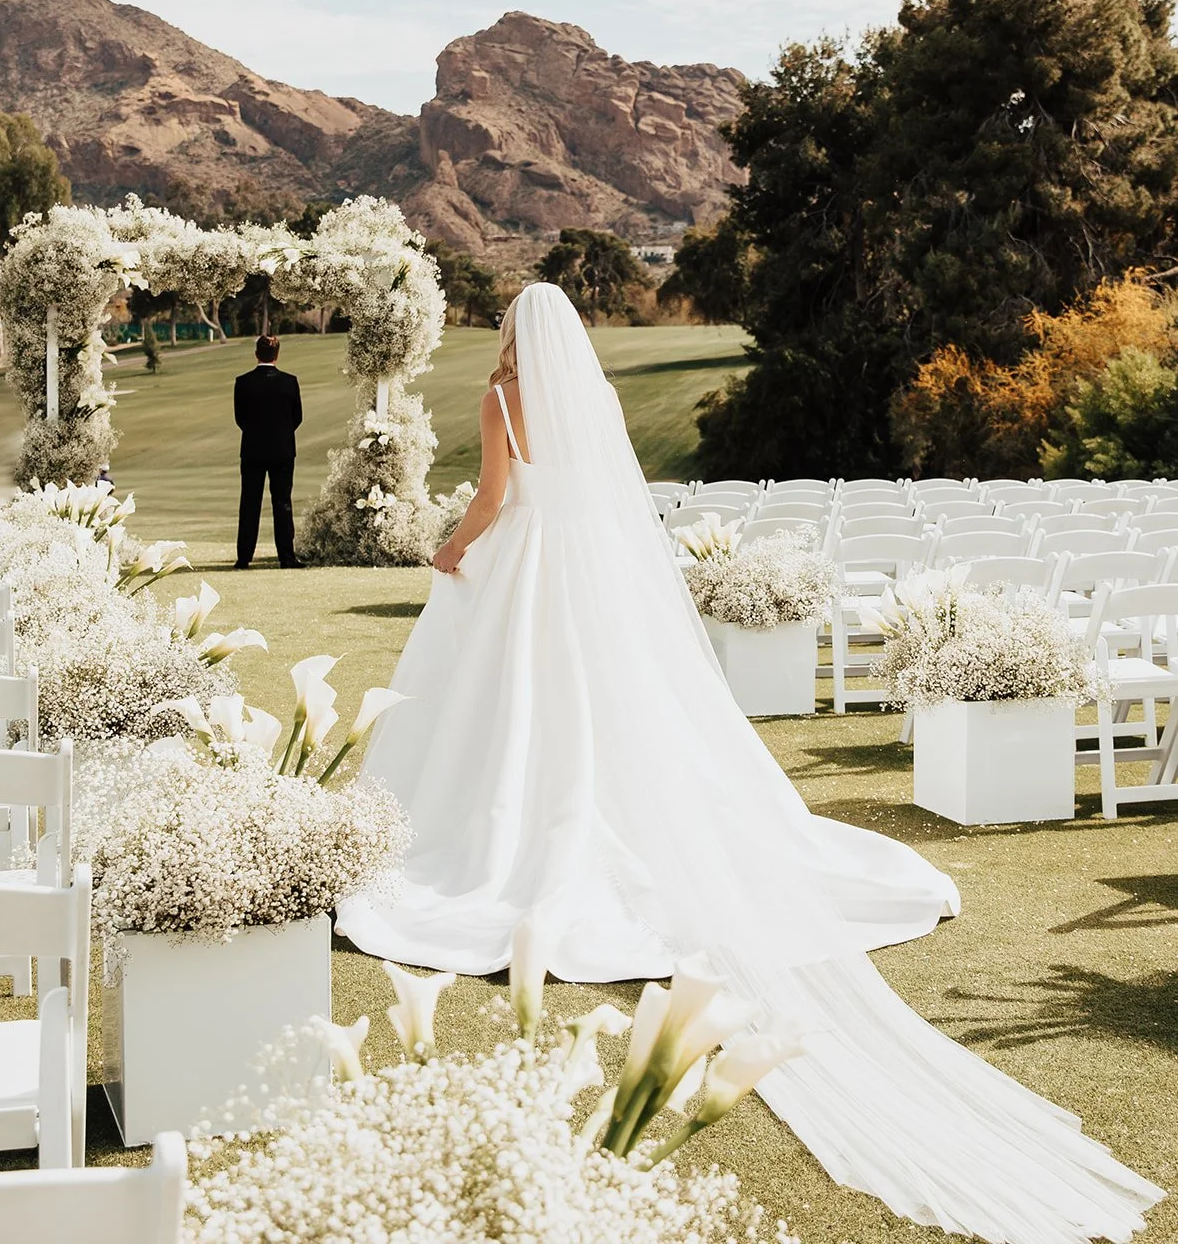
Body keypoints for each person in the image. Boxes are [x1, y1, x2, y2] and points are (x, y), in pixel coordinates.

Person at [338, 283, 1161, 1244]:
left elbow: (491, 498)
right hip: (587, 578)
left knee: (507, 707)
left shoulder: (499, 402)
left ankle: (508, 825)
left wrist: (449, 551)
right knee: (600, 704)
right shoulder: (588, 400)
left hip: (523, 567)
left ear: (517, 336)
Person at [233, 334, 302, 569]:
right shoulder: (289, 382)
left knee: (249, 503)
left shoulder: (243, 382)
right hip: (283, 450)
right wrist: (281, 434)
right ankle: (286, 557)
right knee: (282, 503)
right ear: (277, 355)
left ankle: (244, 558)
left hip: (252, 449)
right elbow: (297, 417)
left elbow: (239, 418)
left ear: (256, 354)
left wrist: (255, 434)